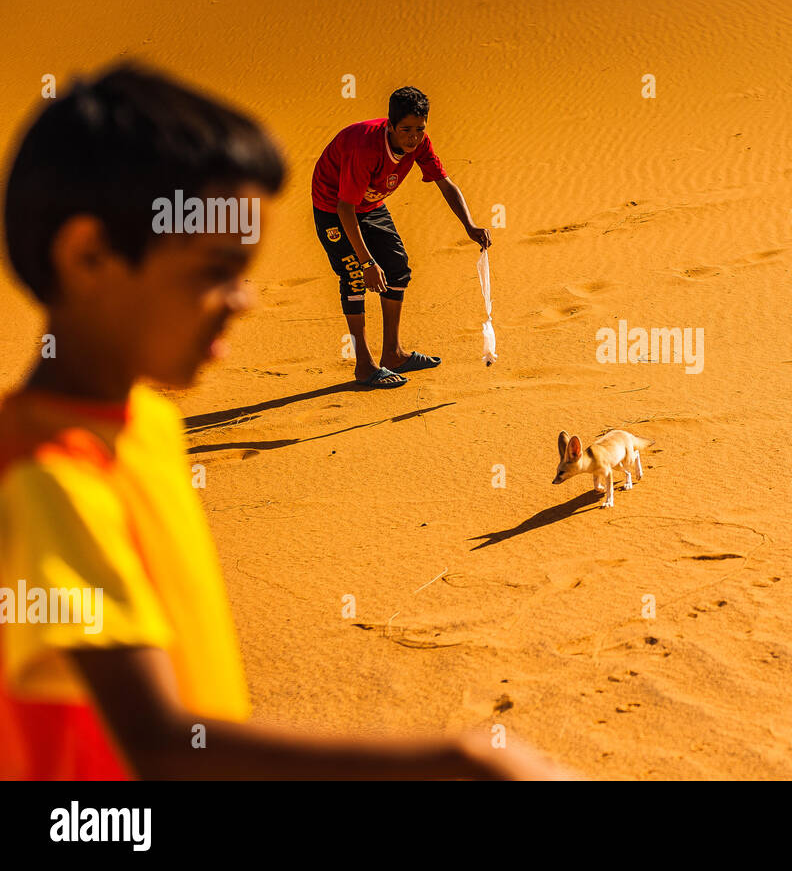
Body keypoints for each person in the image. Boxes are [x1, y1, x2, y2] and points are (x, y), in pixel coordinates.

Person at [0, 64, 558, 779]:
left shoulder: (145, 424)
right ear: (89, 256)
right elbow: (155, 741)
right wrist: (450, 762)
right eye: (216, 270)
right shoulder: (45, 476)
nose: (245, 300)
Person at [311, 87, 492, 388]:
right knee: (355, 276)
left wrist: (469, 225)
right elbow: (345, 208)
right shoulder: (365, 148)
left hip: (370, 204)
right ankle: (364, 365)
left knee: (397, 267)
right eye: (406, 130)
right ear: (390, 126)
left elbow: (445, 183)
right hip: (334, 207)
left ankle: (393, 354)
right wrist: (367, 261)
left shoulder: (419, 144)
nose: (414, 137)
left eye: (420, 129)